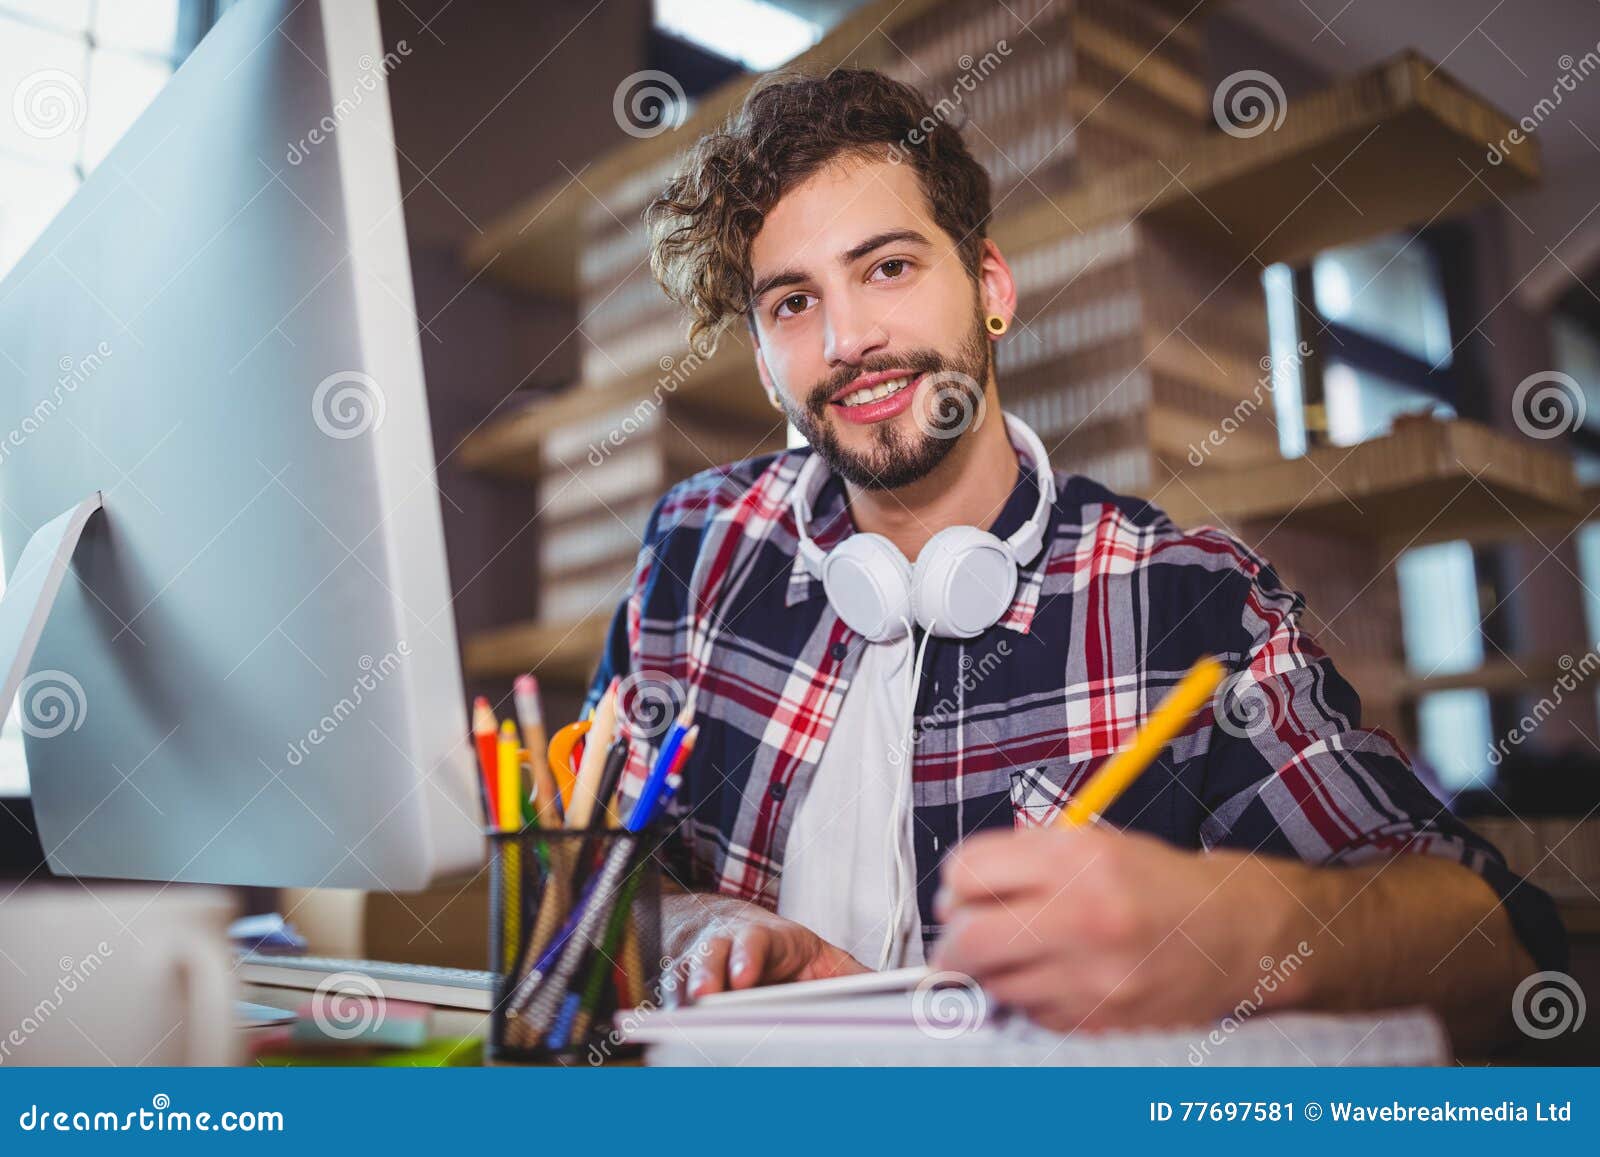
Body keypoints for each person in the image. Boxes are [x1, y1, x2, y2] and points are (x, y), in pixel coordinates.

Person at [581, 67, 1565, 1050]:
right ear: (762, 360)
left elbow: (1501, 942)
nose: (849, 340)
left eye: (888, 267)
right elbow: (571, 859)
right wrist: (687, 919)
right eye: (793, 303)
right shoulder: (696, 551)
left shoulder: (1192, 599)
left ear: (989, 285)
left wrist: (1253, 927)